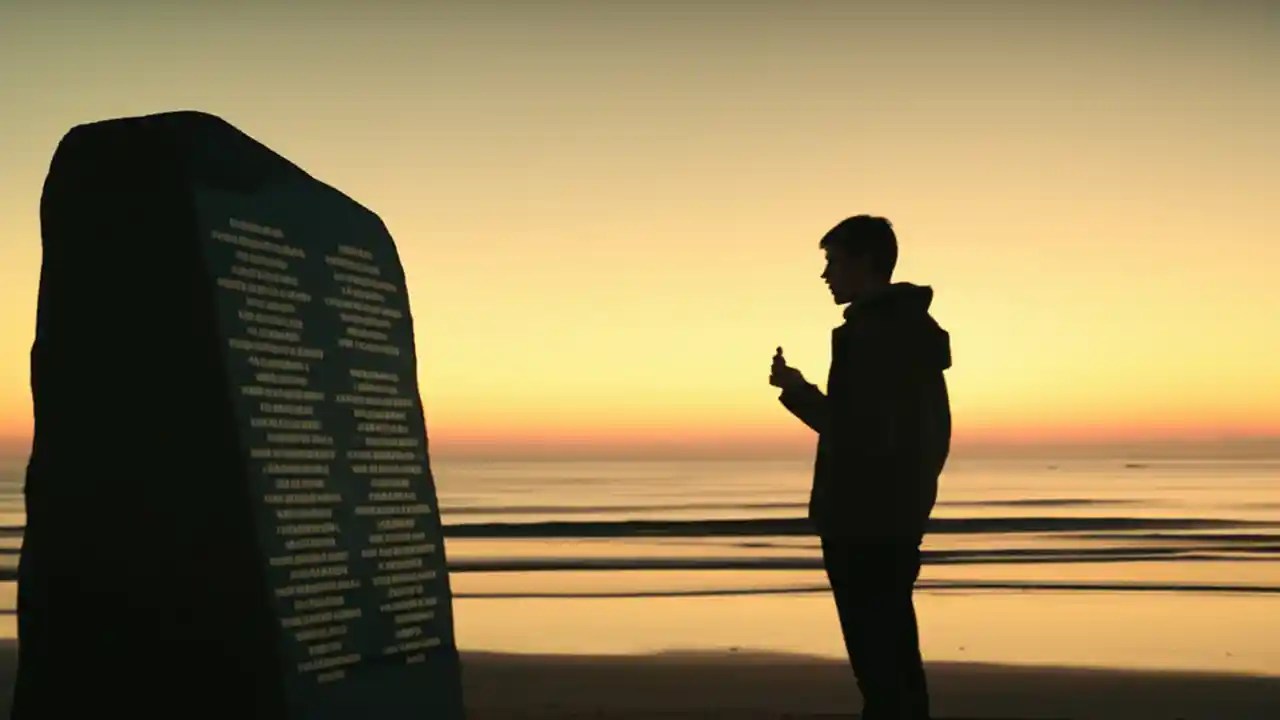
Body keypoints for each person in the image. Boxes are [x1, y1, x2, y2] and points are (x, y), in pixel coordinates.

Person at [769, 215, 952, 720]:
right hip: (891, 518)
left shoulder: (875, 336)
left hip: (864, 522)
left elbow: (853, 431)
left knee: (879, 666)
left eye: (833, 262)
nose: (826, 275)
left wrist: (797, 391)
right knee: (893, 660)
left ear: (866, 262)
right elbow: (914, 431)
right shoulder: (906, 331)